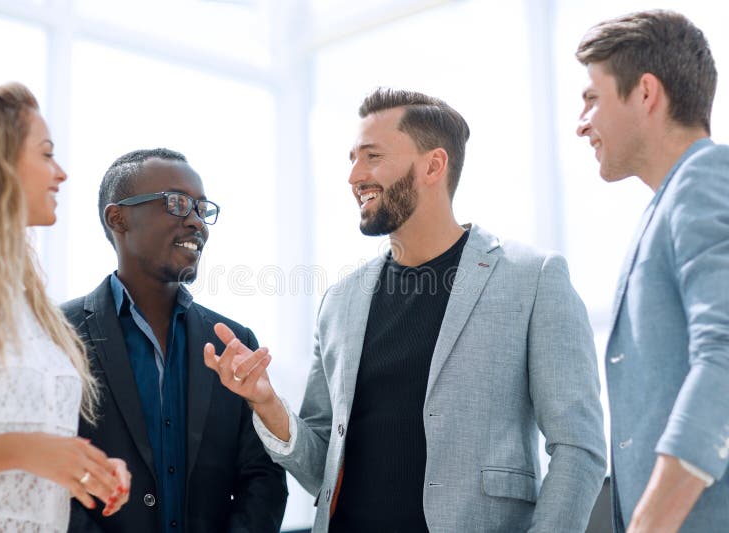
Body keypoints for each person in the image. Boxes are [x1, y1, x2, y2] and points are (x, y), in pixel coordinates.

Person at [205, 88, 607, 532]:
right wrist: (267, 404)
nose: (355, 175)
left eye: (373, 157)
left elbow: (578, 447)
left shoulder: (532, 278)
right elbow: (323, 469)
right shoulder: (340, 302)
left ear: (433, 165)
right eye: (352, 158)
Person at [0, 82, 130, 532]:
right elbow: (21, 447)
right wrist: (24, 450)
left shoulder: (28, 305)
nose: (61, 173)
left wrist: (78, 466)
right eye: (45, 154)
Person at [63, 148, 287, 532]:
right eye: (178, 204)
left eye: (202, 209)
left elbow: (263, 478)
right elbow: (48, 481)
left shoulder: (232, 342)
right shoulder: (60, 333)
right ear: (118, 218)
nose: (197, 222)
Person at [576, 10, 729, 533]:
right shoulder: (668, 204)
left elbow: (725, 355)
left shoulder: (706, 176)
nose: (581, 124)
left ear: (645, 93)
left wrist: (649, 524)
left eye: (592, 98)